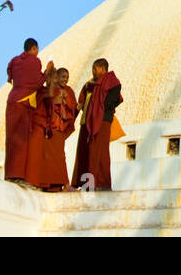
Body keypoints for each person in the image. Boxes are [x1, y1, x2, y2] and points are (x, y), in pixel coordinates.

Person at [25, 62, 70, 190]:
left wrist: (65, 102)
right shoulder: (41, 91)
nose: (64, 80)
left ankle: (62, 183)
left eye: (67, 77)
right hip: (43, 126)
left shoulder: (65, 91)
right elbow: (48, 97)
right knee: (42, 156)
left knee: (59, 157)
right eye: (61, 77)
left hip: (56, 127)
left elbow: (71, 109)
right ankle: (41, 183)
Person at [79, 58, 122, 191]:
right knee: (93, 151)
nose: (93, 71)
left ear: (103, 68)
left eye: (95, 68)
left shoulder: (112, 82)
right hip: (93, 119)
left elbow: (114, 99)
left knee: (99, 151)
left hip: (103, 119)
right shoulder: (92, 84)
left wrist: (100, 108)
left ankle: (98, 184)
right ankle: (93, 184)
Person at [4, 38, 43, 184]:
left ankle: (9, 174)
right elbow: (37, 83)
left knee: (11, 139)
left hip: (12, 101)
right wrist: (47, 72)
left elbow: (12, 75)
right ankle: (18, 175)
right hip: (23, 103)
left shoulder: (15, 61)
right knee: (22, 140)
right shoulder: (34, 61)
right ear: (34, 48)